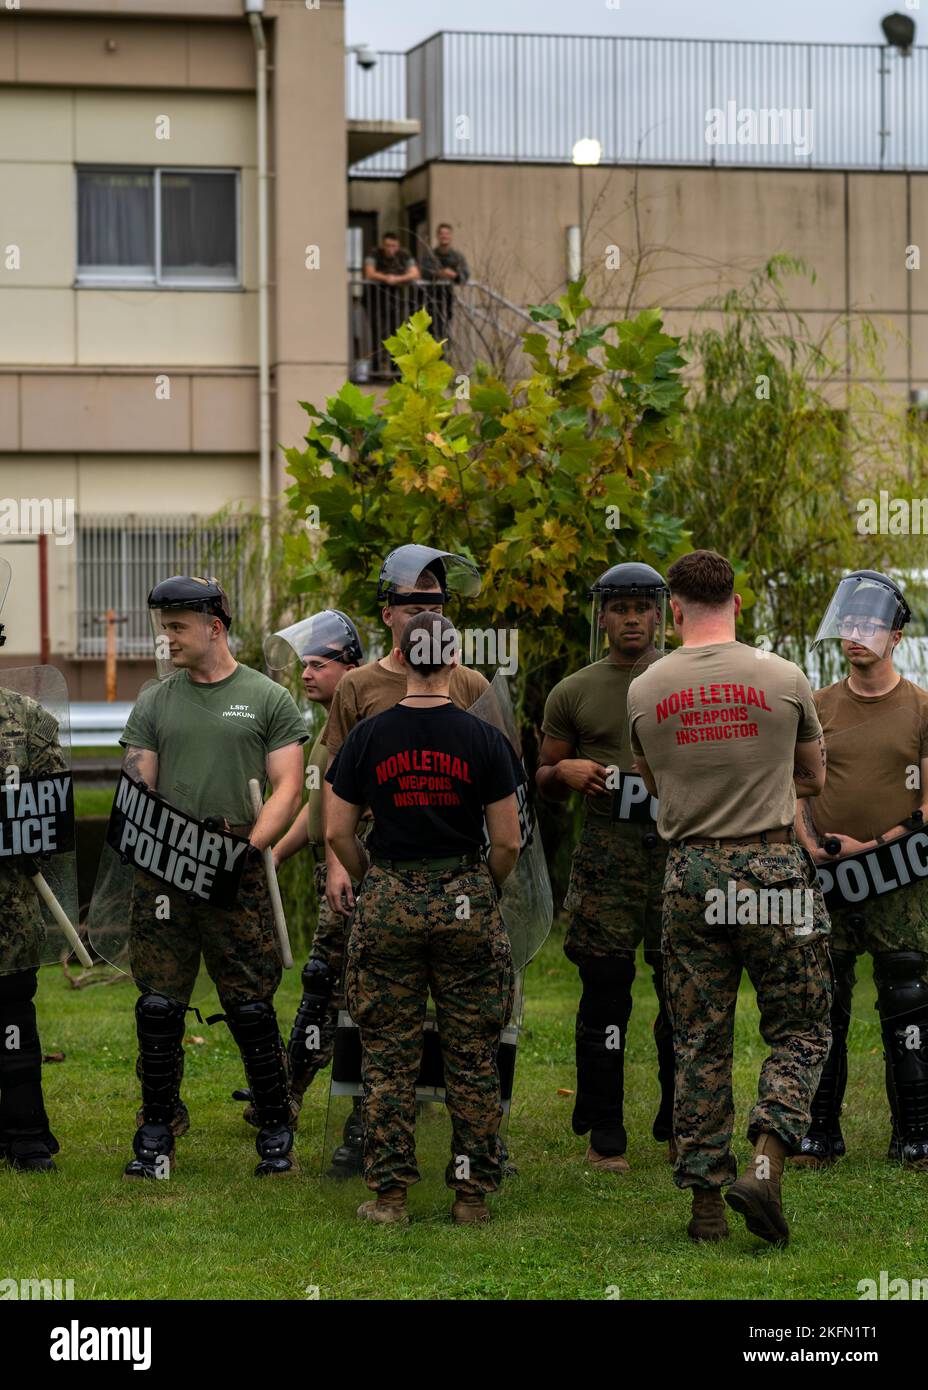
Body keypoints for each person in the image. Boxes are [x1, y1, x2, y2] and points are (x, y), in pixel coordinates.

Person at [627, 550, 832, 1246]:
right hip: (774, 867)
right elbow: (813, 775)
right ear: (737, 604)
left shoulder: (646, 689)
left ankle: (706, 1207)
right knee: (801, 1027)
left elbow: (652, 783)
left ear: (674, 610)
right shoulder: (784, 677)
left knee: (698, 1040)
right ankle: (767, 1166)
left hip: (690, 873)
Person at [326, 613, 524, 1225]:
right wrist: (477, 885)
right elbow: (509, 842)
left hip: (388, 898)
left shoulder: (369, 735)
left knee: (388, 1052)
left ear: (403, 658)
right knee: (471, 1052)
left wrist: (374, 879)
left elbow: (336, 829)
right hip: (464, 897)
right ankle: (470, 1196)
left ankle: (389, 1197)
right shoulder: (484, 738)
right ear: (453, 660)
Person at [115, 576, 307, 1179]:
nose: (166, 638)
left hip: (235, 864)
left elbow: (289, 787)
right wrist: (142, 823)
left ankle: (275, 1129)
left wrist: (252, 849)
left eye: (177, 627)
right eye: (163, 626)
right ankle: (157, 1127)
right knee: (157, 1004)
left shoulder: (268, 698)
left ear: (214, 627)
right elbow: (138, 780)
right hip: (166, 869)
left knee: (249, 1004)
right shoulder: (155, 700)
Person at [318, 544, 489, 1174]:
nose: (427, 612)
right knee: (366, 1007)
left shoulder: (469, 685)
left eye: (437, 603)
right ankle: (365, 1129)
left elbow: (499, 794)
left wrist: (489, 880)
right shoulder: (358, 689)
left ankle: (472, 1148)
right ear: (388, 612)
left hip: (450, 873)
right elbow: (333, 785)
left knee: (469, 1020)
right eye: (415, 602)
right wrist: (344, 867)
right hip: (374, 864)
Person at [536, 562, 675, 1172]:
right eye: (620, 608)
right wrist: (560, 773)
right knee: (606, 992)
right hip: (607, 856)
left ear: (661, 614)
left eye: (643, 607)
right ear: (603, 617)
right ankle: (605, 1128)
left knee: (684, 991)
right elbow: (540, 775)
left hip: (676, 847)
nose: (632, 619)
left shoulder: (685, 679)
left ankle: (683, 1118)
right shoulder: (575, 690)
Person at [794, 570, 928, 1171]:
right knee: (826, 998)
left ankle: (916, 1133)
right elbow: (794, 790)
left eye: (870, 624)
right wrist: (813, 842)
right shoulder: (817, 705)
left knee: (908, 997)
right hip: (829, 877)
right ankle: (819, 1132)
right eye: (848, 623)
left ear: (895, 635)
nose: (856, 635)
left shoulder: (923, 706)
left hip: (901, 876)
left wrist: (873, 845)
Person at [233, 611, 363, 1127]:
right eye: (303, 665)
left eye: (317, 665)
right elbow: (315, 810)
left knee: (338, 981)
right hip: (331, 866)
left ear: (349, 668)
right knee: (322, 981)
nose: (305, 675)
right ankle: (289, 1088)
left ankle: (340, 1101)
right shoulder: (325, 729)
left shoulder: (363, 722)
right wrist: (275, 854)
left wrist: (338, 866)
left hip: (354, 872)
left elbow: (343, 814)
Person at [362, 232, 420, 376]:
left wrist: (397, 279)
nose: (390, 249)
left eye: (394, 246)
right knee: (378, 335)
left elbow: (415, 273)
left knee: (399, 335)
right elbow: (369, 273)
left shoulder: (404, 255)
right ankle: (377, 370)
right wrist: (386, 278)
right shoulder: (374, 253)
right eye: (387, 246)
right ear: (383, 245)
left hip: (398, 302)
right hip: (376, 302)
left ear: (398, 246)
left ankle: (397, 371)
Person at [419, 223, 470, 349]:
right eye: (441, 233)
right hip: (429, 298)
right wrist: (440, 273)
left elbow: (465, 275)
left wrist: (454, 275)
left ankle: (443, 361)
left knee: (445, 332)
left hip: (447, 298)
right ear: (437, 235)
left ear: (451, 236)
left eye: (447, 233)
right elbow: (423, 272)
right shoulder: (430, 255)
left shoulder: (457, 256)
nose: (444, 236)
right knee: (431, 333)